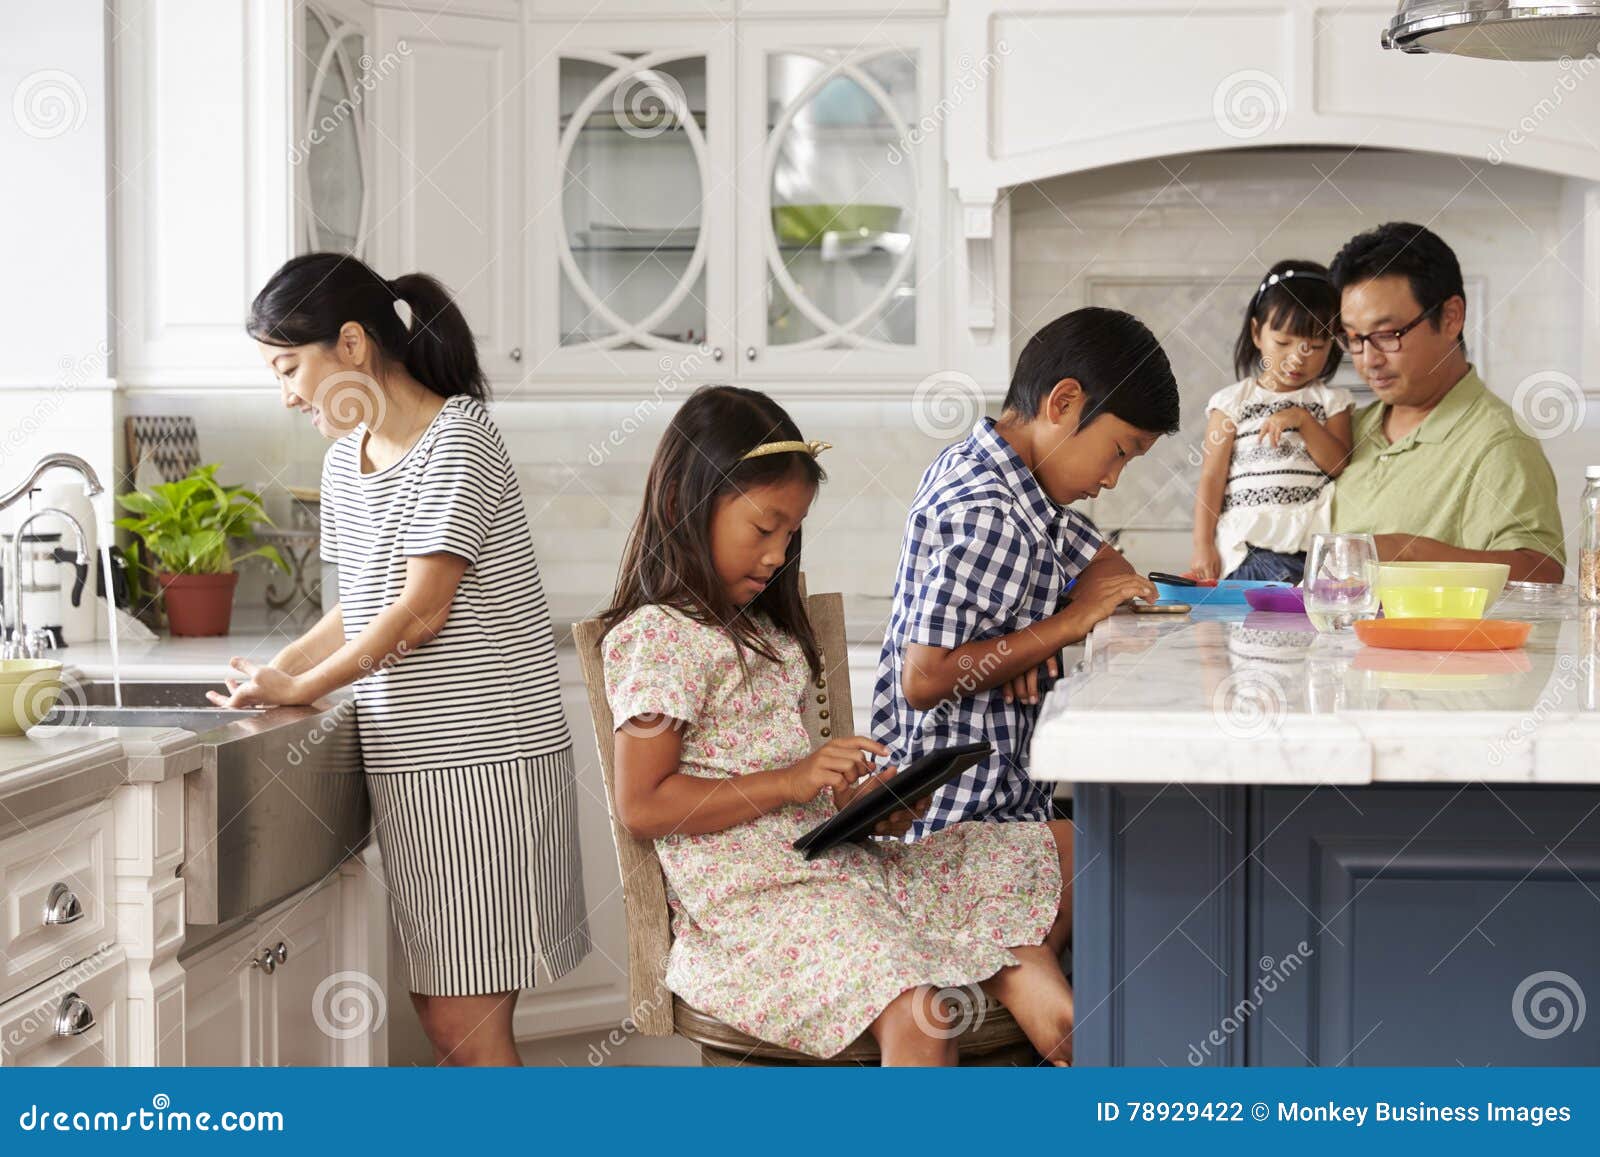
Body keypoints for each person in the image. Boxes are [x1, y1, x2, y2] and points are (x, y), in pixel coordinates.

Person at [601, 386, 1075, 1065]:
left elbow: (792, 787)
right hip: (759, 905)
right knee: (923, 1015)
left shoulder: (767, 634)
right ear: (686, 504)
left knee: (1064, 846)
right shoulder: (658, 638)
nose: (776, 554)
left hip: (836, 865)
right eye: (763, 528)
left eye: (791, 532)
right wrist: (794, 781)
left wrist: (859, 805)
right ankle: (1012, 975)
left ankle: (1025, 980)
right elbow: (643, 804)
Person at [211, 253, 589, 1065]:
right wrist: (275, 674)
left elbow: (419, 610)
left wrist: (304, 685)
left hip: (486, 762)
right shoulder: (345, 461)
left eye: (288, 367)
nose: (285, 394)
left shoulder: (460, 437)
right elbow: (358, 603)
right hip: (413, 763)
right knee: (451, 1014)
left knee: (463, 1022)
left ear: (350, 344)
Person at [871, 307, 1176, 841]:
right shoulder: (991, 510)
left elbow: (1112, 569)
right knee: (1129, 857)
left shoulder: (1015, 485)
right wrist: (1059, 627)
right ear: (1063, 403)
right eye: (1119, 452)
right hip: (955, 826)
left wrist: (1020, 642)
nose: (1111, 479)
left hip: (1004, 810)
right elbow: (924, 681)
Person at [1328, 222, 1565, 582]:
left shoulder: (1498, 441)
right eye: (1354, 339)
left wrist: (1415, 553)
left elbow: (1542, 574)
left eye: (1387, 335)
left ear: (1451, 317)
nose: (1368, 360)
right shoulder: (1348, 430)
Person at [1190, 260, 1354, 584]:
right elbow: (1211, 478)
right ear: (1256, 333)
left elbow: (1339, 465)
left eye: (1315, 346)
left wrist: (1304, 421)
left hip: (1312, 552)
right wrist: (1202, 545)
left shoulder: (1331, 402)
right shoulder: (1232, 402)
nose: (1297, 357)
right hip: (1248, 549)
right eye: (1283, 343)